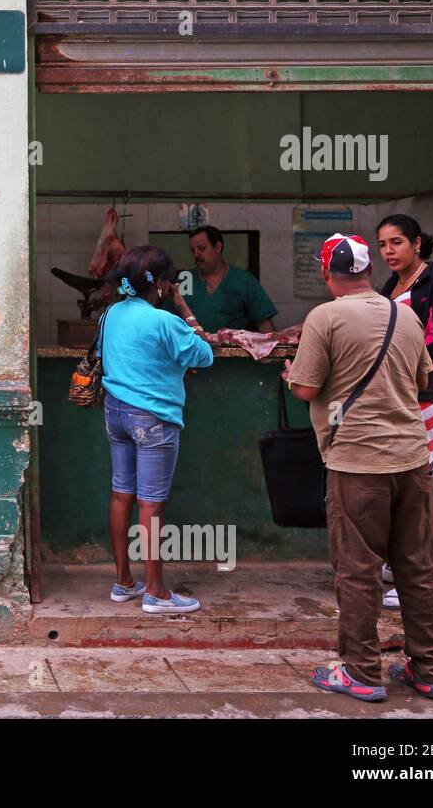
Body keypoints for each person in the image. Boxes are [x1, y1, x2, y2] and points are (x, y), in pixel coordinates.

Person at [285, 233, 433, 702]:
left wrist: (295, 376)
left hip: (357, 463)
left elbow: (304, 388)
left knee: (358, 571)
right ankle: (429, 671)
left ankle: (360, 672)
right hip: (413, 460)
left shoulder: (325, 317)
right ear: (368, 272)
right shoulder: (406, 313)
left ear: (326, 273)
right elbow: (421, 379)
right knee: (419, 567)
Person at [99, 245, 214, 614]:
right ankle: (156, 592)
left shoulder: (111, 313)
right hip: (153, 418)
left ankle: (123, 582)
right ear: (163, 284)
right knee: (151, 504)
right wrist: (183, 306)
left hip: (115, 411)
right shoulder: (164, 321)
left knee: (121, 494)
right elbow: (204, 354)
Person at [376, 214, 433, 610]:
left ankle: (422, 574)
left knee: (421, 482)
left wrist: (402, 365)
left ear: (417, 244)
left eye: (396, 243)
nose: (389, 251)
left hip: (427, 392)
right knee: (400, 481)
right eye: (383, 245)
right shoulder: (393, 284)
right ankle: (399, 565)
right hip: (400, 392)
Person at [183, 225, 278, 333]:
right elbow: (168, 320)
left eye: (201, 248)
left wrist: (268, 346)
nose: (196, 254)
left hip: (233, 348)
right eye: (192, 250)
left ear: (218, 247)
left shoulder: (243, 281)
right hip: (194, 347)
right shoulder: (186, 280)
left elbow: (265, 326)